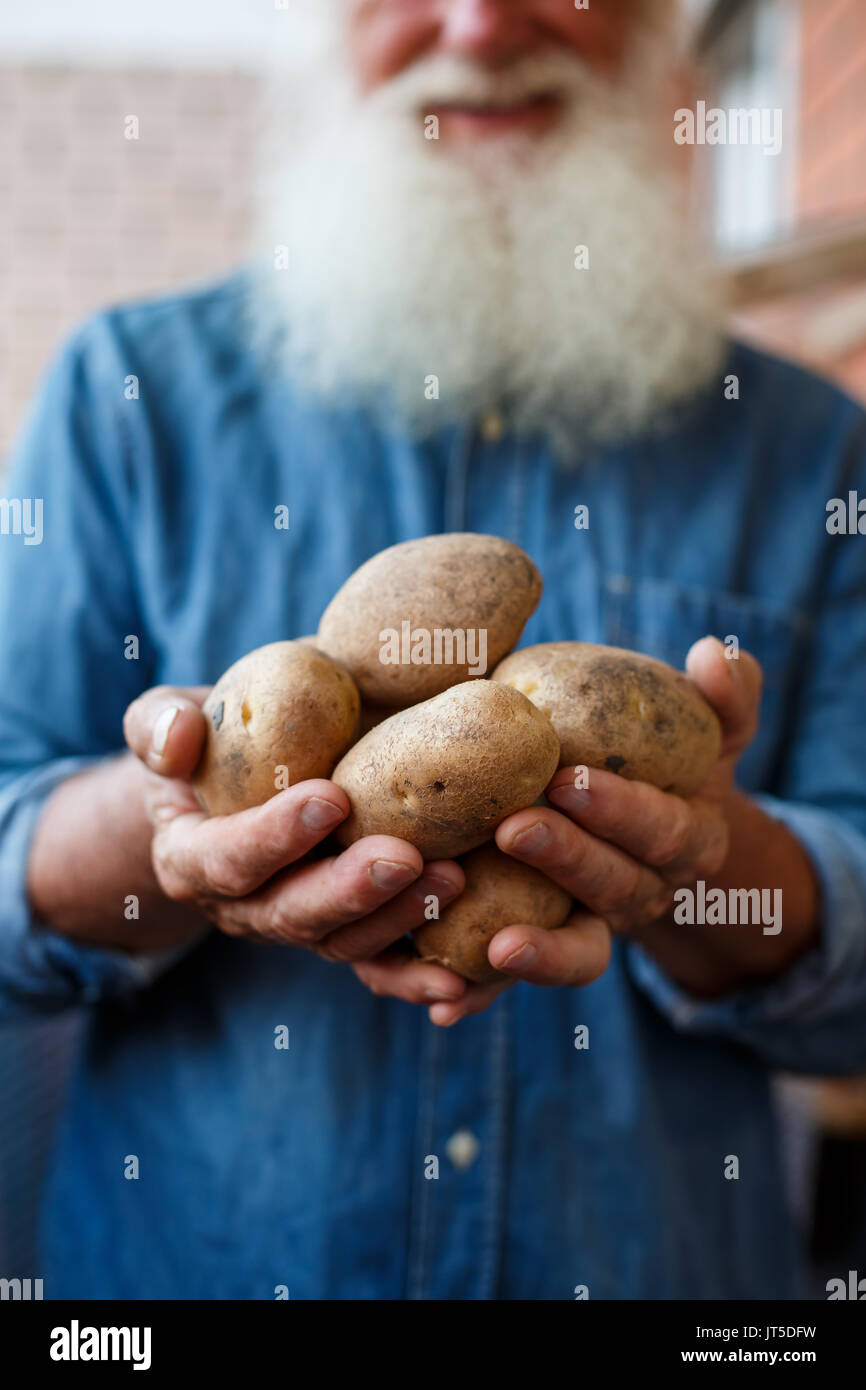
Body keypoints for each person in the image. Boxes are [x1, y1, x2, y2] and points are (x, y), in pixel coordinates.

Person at [1, 0, 865, 1300]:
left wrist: (703, 858)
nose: (477, 21)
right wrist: (173, 819)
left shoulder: (808, 448)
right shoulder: (127, 394)